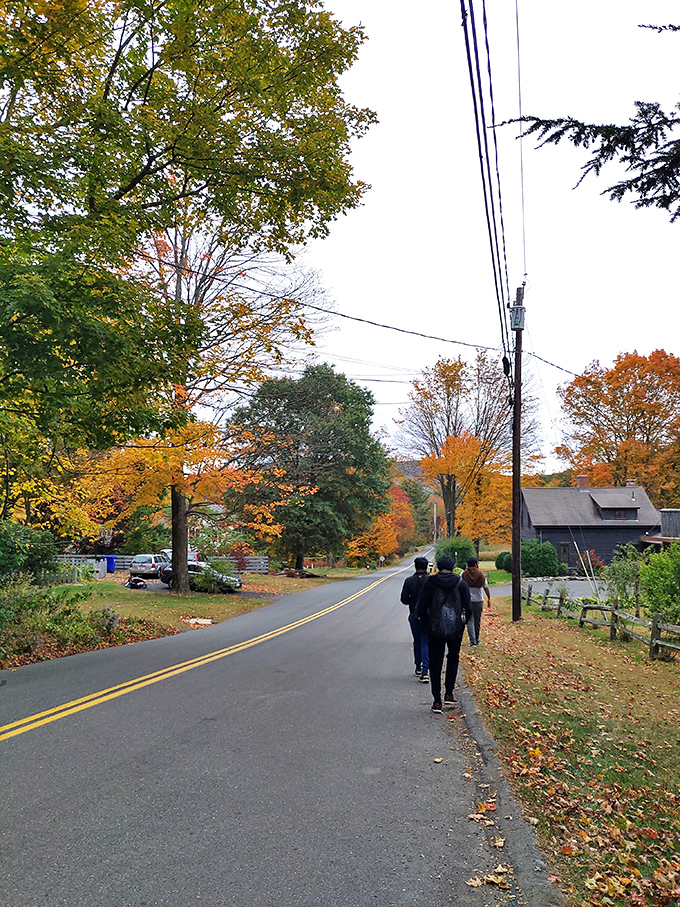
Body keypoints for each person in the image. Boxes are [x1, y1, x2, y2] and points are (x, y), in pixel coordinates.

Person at [417, 555, 471, 713]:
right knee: (453, 658)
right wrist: (462, 624)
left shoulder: (430, 582)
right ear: (453, 567)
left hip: (434, 629)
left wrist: (427, 624)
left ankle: (436, 700)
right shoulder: (461, 584)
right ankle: (449, 693)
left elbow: (421, 607)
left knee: (435, 662)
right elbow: (468, 608)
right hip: (455, 630)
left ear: (438, 567)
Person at [400, 556, 430, 682]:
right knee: (426, 641)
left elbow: (404, 599)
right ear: (426, 566)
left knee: (417, 640)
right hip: (428, 615)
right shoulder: (430, 581)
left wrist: (413, 599)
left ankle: (418, 665)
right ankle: (425, 669)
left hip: (414, 613)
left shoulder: (409, 581)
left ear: (415, 566)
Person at [461, 556, 491, 647]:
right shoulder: (480, 574)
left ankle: (472, 641)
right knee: (477, 621)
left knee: (470, 620)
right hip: (478, 600)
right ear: (475, 564)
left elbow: (459, 586)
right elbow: (485, 587)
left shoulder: (464, 574)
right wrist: (489, 598)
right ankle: (477, 639)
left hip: (467, 600)